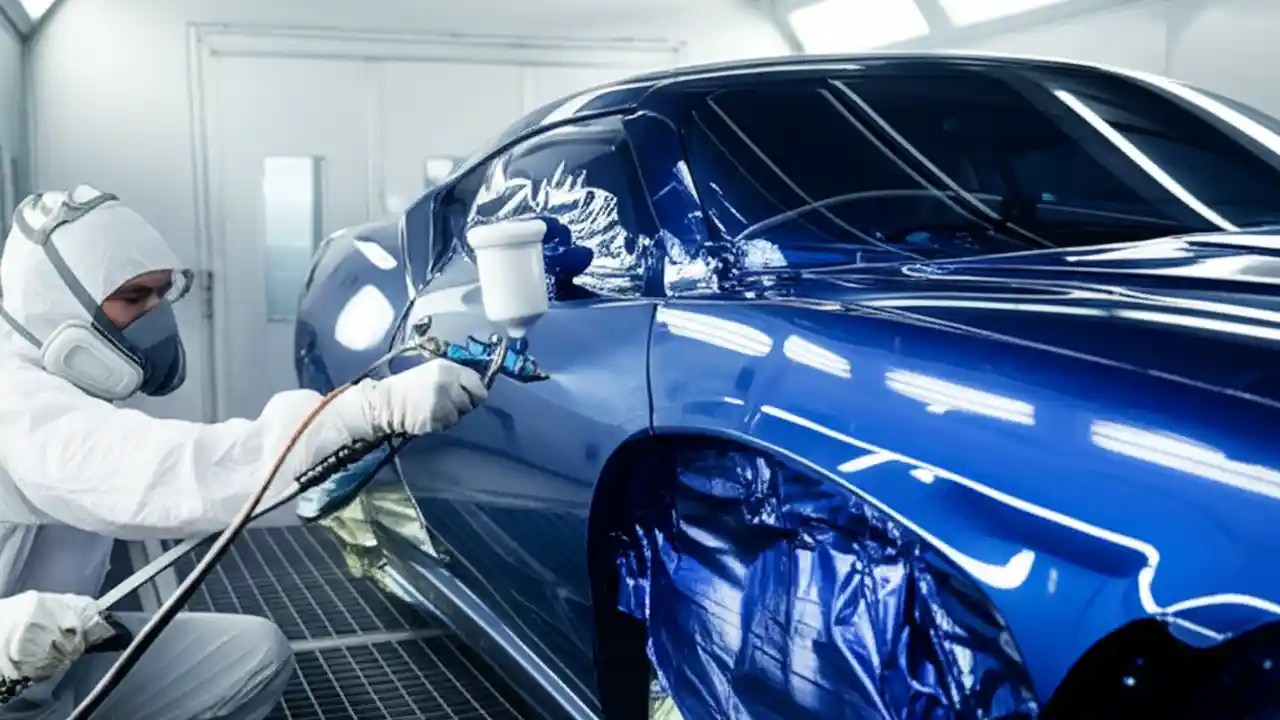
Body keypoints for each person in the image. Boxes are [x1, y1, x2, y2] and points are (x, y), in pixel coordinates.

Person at [0, 185, 489, 718]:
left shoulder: (60, 386)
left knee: (256, 654)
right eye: (134, 298)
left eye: (162, 294)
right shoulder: (15, 401)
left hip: (52, 658)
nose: (155, 318)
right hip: (11, 666)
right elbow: (159, 473)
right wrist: (360, 412)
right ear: (57, 309)